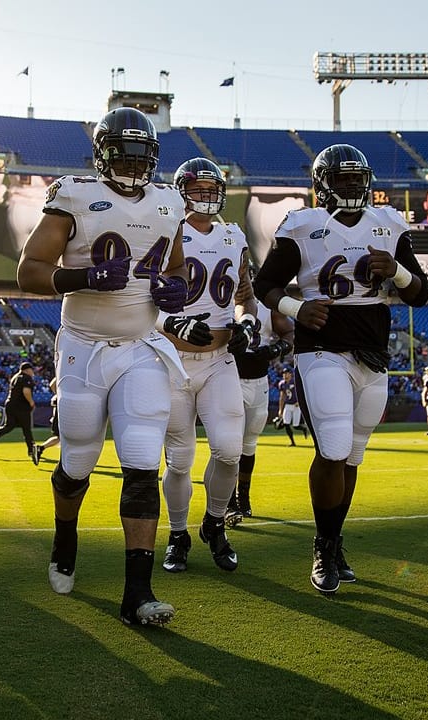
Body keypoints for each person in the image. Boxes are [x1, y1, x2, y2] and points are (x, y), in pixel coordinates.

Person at [16, 106, 188, 626]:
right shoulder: (73, 195)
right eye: (124, 154)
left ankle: (137, 592)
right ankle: (65, 535)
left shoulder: (169, 202)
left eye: (142, 156)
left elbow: (176, 269)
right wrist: (83, 278)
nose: (134, 166)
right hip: (84, 348)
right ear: (102, 154)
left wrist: (176, 289)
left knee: (141, 463)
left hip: (143, 346)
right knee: (78, 462)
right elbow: (29, 271)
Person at [253, 142, 428, 596]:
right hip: (322, 348)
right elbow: (265, 283)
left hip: (371, 351)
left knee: (352, 454)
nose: (351, 185)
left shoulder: (389, 224)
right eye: (341, 178)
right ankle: (323, 547)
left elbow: (420, 293)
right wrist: (295, 307)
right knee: (331, 449)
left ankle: (334, 542)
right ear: (322, 184)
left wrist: (398, 271)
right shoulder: (304, 224)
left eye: (356, 178)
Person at [156, 157, 256, 575]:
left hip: (219, 360)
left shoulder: (234, 237)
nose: (206, 196)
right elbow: (140, 297)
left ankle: (214, 524)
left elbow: (245, 297)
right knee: (179, 460)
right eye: (197, 189)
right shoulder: (164, 232)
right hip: (173, 360)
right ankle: (177, 533)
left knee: (230, 451)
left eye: (211, 188)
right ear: (181, 192)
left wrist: (248, 323)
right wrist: (170, 321)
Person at [227, 285, 293, 526]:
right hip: (228, 376)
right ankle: (228, 501)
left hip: (258, 379)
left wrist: (277, 348)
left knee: (249, 443)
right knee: (229, 443)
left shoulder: (266, 305)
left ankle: (242, 496)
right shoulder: (221, 298)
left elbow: (288, 333)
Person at [0, 360, 38, 464]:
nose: (32, 372)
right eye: (31, 369)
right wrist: (31, 402)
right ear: (27, 370)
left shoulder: (15, 377)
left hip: (10, 404)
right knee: (26, 429)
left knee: (9, 425)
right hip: (21, 406)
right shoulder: (26, 378)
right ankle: (31, 450)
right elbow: (26, 391)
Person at [275, 367, 308, 446]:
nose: (285, 375)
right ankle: (292, 442)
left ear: (291, 374)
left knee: (295, 426)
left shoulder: (295, 382)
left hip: (296, 405)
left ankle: (303, 428)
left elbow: (302, 392)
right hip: (288, 405)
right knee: (286, 424)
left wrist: (299, 401)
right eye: (284, 374)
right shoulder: (282, 384)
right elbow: (282, 397)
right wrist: (280, 409)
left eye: (287, 373)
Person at [34, 380, 60, 464]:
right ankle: (40, 448)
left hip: (60, 405)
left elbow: (52, 384)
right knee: (62, 437)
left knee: (60, 437)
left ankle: (40, 448)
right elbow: (52, 384)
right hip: (63, 408)